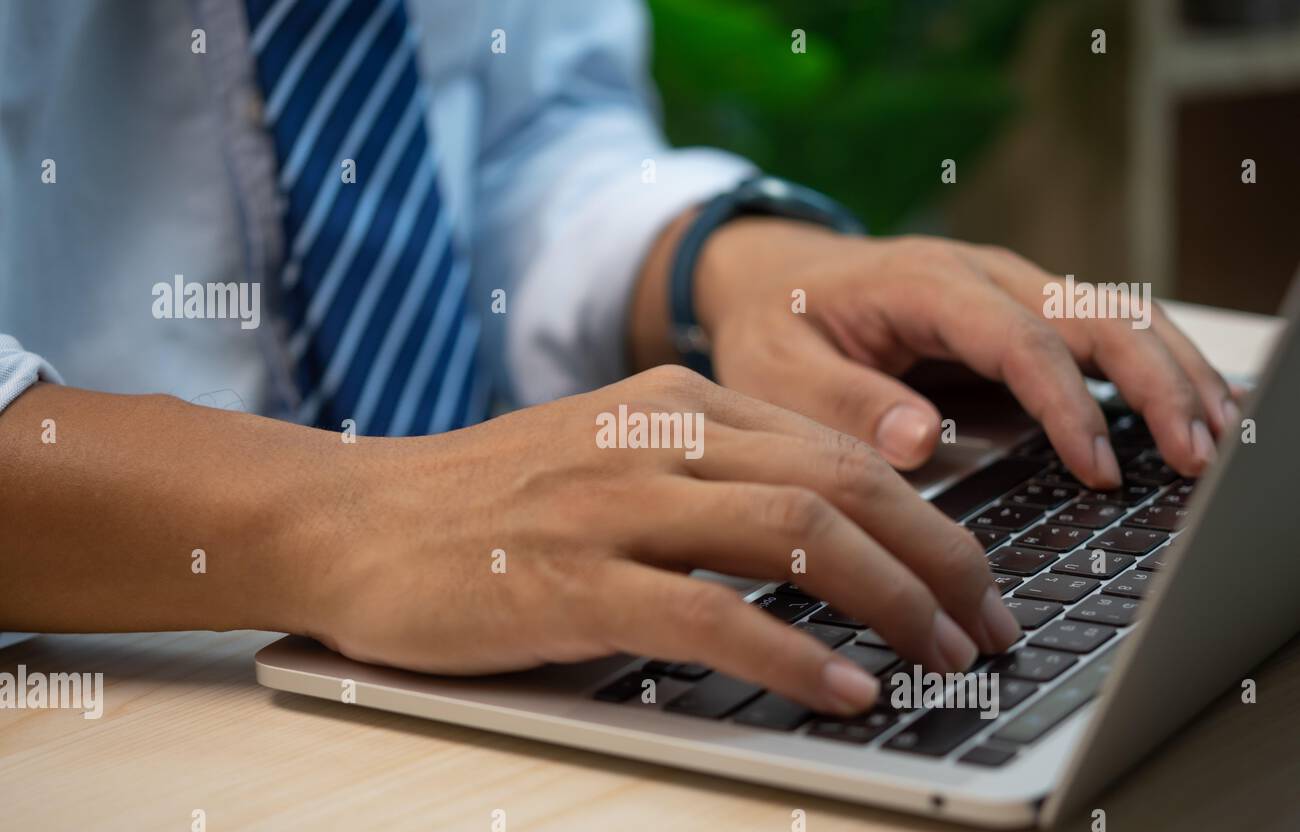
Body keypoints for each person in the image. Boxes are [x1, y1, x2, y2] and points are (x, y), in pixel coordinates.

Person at [0, 0, 1234, 716]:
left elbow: (522, 130)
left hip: (474, 670)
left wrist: (721, 264)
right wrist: (344, 514)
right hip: (103, 702)